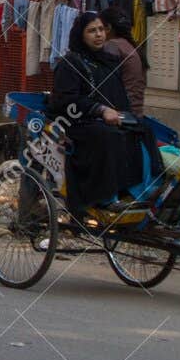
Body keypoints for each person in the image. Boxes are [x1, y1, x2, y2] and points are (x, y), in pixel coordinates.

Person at [50, 11, 156, 213]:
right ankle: (106, 197)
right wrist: (100, 110)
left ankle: (139, 191)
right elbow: (66, 101)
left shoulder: (108, 61)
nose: (98, 34)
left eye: (101, 29)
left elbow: (117, 96)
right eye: (91, 31)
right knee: (108, 136)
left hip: (106, 120)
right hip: (77, 124)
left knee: (143, 129)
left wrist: (121, 115)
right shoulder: (70, 63)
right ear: (81, 35)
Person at [101, 7, 147, 116]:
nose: (98, 34)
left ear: (108, 28)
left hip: (121, 114)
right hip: (135, 112)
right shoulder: (129, 46)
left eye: (100, 28)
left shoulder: (112, 46)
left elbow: (106, 84)